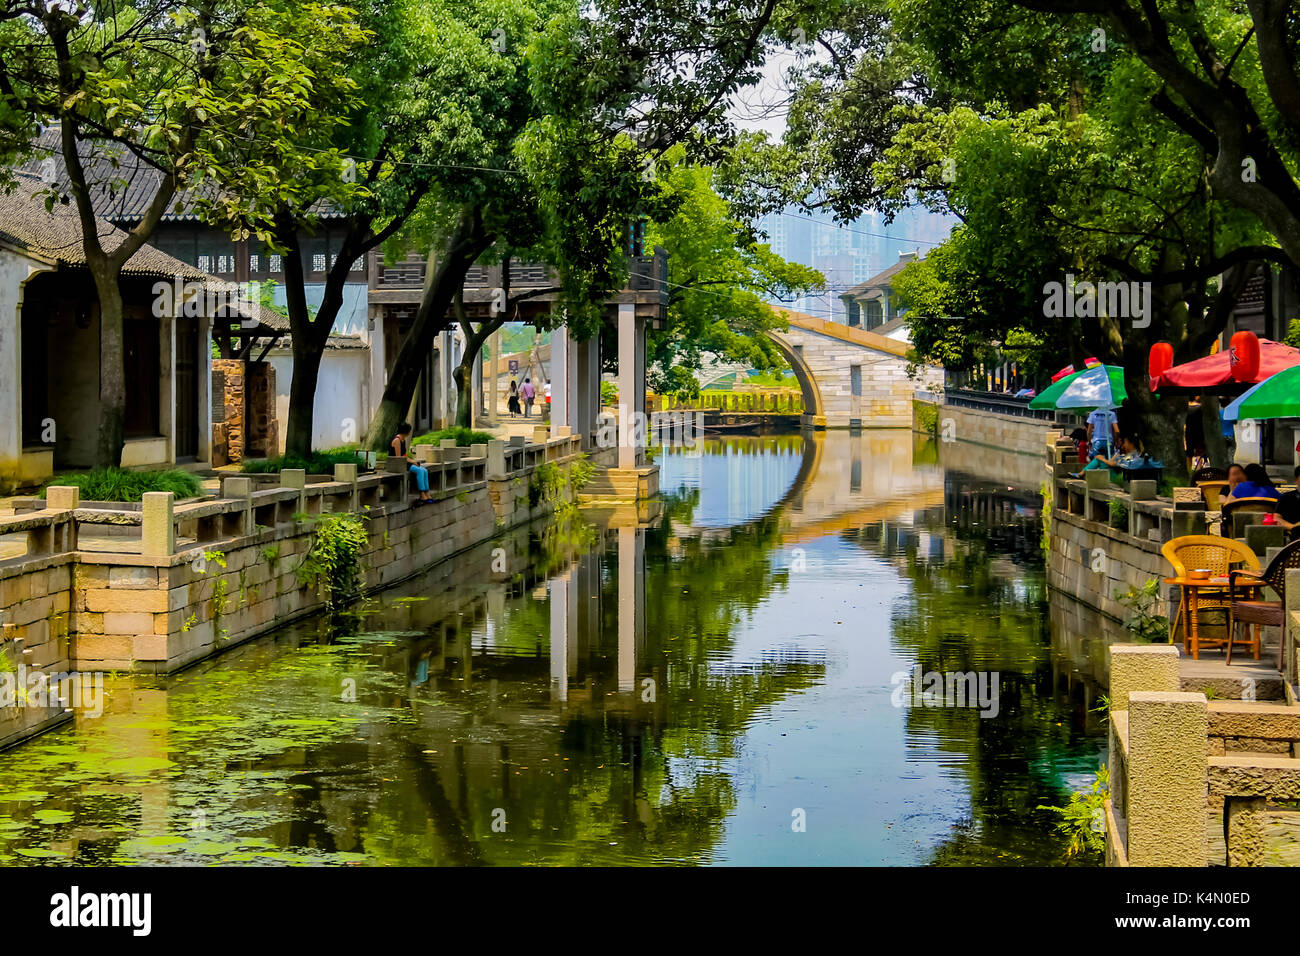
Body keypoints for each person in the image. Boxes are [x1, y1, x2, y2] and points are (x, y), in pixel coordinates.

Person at [391, 422, 432, 504]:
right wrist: (412, 461)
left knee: (424, 470)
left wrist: (413, 461)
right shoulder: (397, 440)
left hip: (404, 462)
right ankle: (422, 494)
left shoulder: (403, 440)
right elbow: (399, 457)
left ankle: (427, 492)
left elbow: (404, 455)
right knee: (419, 471)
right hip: (398, 464)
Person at [1274, 466, 1300, 540]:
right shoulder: (1286, 497)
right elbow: (1276, 518)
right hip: (1293, 536)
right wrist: (1293, 528)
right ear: (1296, 480)